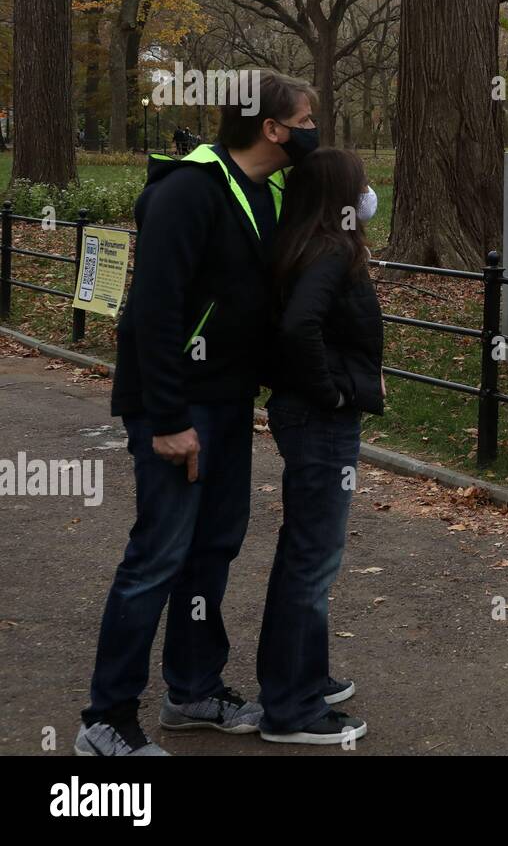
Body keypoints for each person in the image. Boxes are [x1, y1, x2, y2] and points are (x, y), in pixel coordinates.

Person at [76, 72, 319, 757]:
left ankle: (192, 689)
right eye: (305, 119)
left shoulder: (262, 190)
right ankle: (106, 718)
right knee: (158, 556)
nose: (312, 129)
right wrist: (167, 419)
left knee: (213, 549)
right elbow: (153, 313)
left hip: (228, 402)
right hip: (178, 410)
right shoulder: (188, 190)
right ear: (273, 129)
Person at [257, 148, 383, 745]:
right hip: (320, 421)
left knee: (303, 554)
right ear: (341, 196)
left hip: (305, 414)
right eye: (361, 184)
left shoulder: (303, 244)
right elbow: (299, 326)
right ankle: (291, 706)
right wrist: (331, 393)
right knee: (313, 560)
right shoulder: (332, 252)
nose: (370, 193)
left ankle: (303, 678)